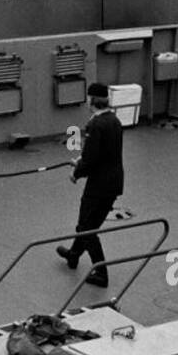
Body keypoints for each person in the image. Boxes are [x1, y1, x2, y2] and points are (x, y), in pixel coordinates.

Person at [56, 82, 124, 287]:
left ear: (91, 100)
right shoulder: (115, 121)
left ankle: (100, 272)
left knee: (86, 227)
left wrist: (76, 172)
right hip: (114, 183)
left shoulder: (94, 125)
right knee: (90, 223)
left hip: (99, 185)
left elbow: (92, 160)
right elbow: (103, 153)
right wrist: (82, 159)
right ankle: (74, 254)